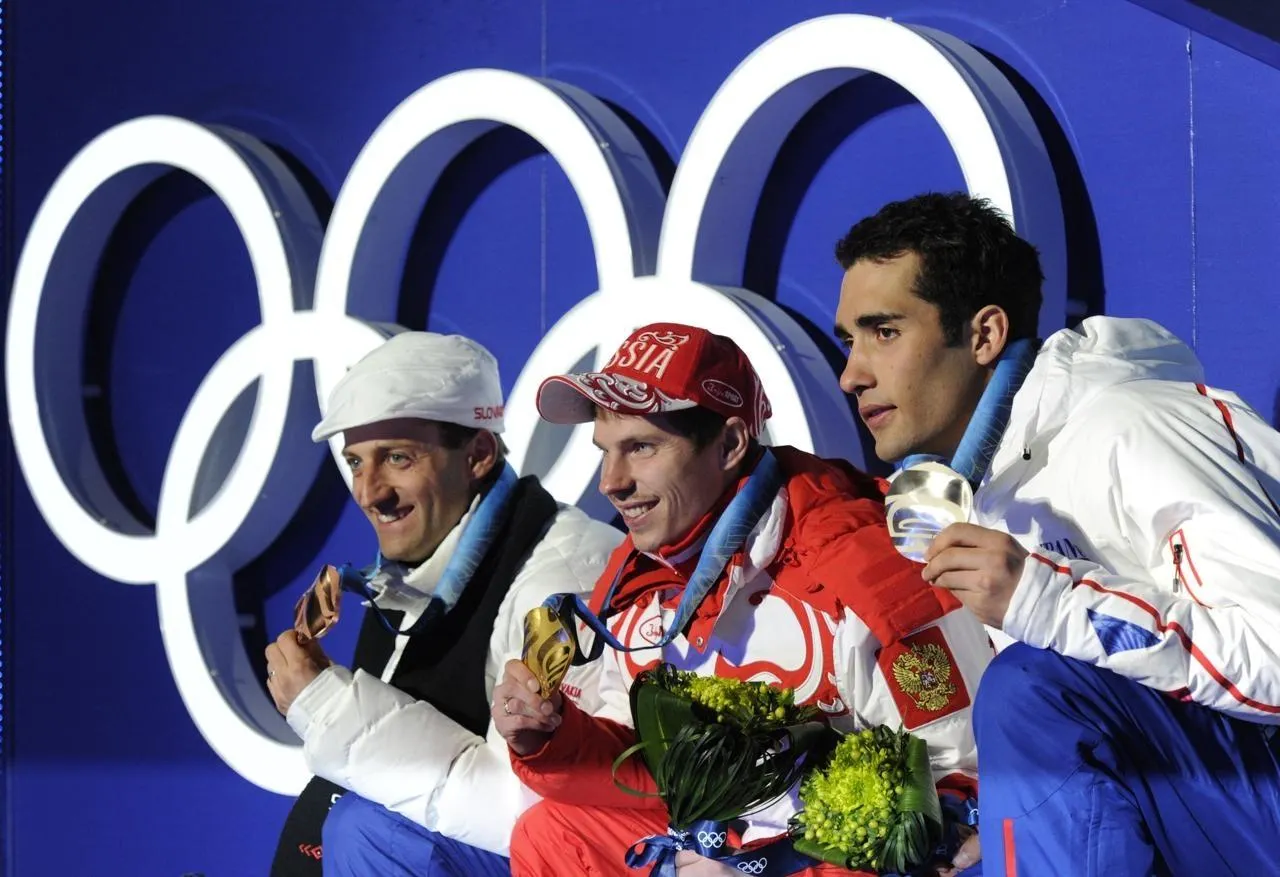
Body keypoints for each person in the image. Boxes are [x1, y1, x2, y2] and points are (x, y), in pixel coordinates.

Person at [832, 191, 1280, 875]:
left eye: (884, 332)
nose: (851, 374)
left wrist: (1049, 601)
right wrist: (1018, 816)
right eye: (849, 340)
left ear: (982, 335)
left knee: (1026, 687)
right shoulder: (980, 486)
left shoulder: (1133, 426)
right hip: (1208, 807)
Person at [492, 322, 992, 876]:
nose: (611, 482)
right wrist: (553, 738)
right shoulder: (635, 580)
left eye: (641, 448)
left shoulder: (866, 572)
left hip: (844, 860)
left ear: (730, 444)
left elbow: (958, 790)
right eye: (605, 451)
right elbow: (655, 777)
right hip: (724, 847)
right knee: (552, 835)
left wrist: (764, 868)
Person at [266, 331, 623, 877]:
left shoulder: (556, 586)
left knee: (368, 833)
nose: (369, 491)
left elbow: (537, 815)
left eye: (398, 458)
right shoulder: (418, 568)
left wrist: (330, 707)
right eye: (357, 463)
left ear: (479, 454)